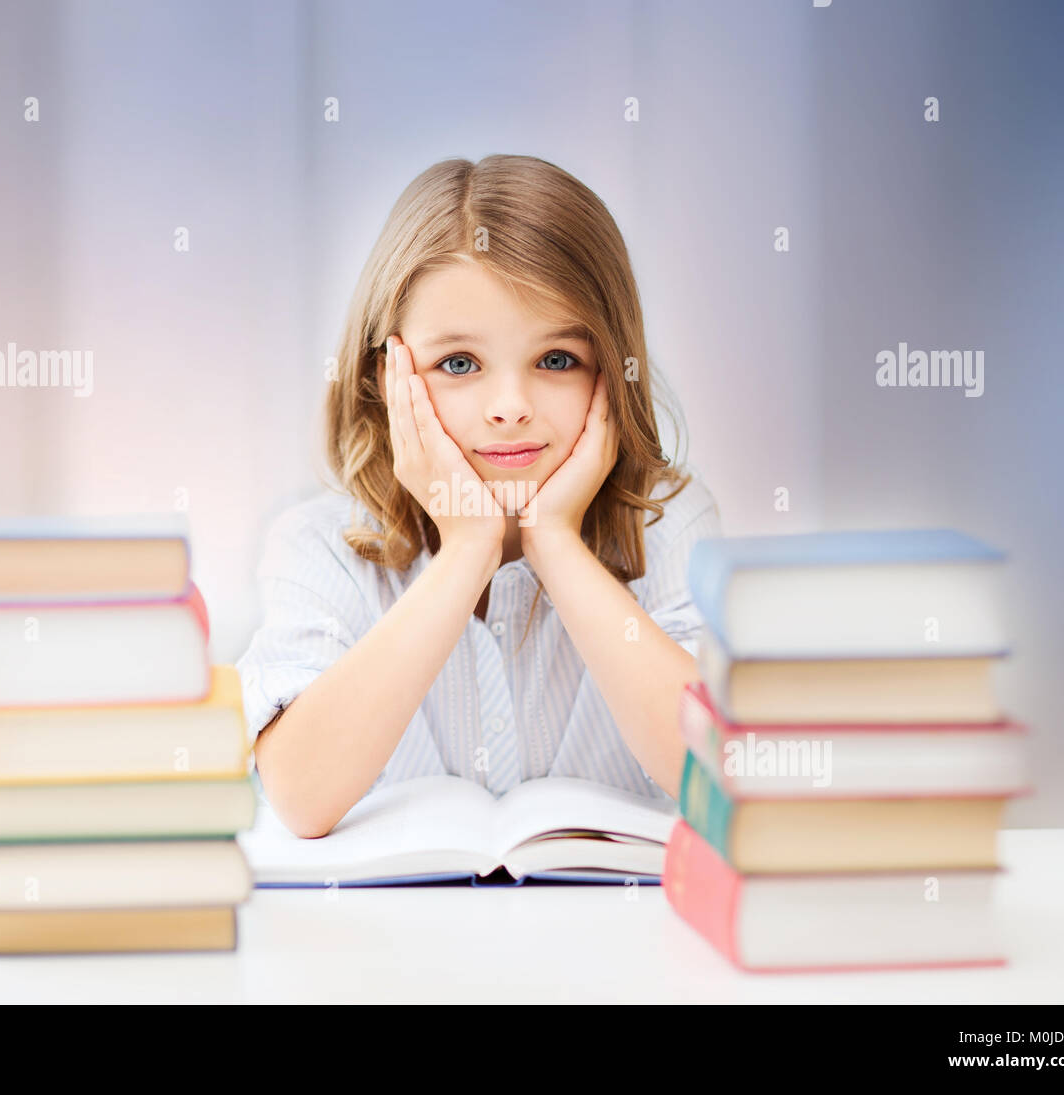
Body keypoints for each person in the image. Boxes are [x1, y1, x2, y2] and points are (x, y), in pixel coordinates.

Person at [237, 154, 721, 838]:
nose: (510, 406)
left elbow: (717, 771)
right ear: (388, 376)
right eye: (458, 364)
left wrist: (555, 541)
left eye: (556, 360)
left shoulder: (671, 523)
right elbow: (301, 793)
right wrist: (467, 547)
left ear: (613, 369)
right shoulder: (317, 544)